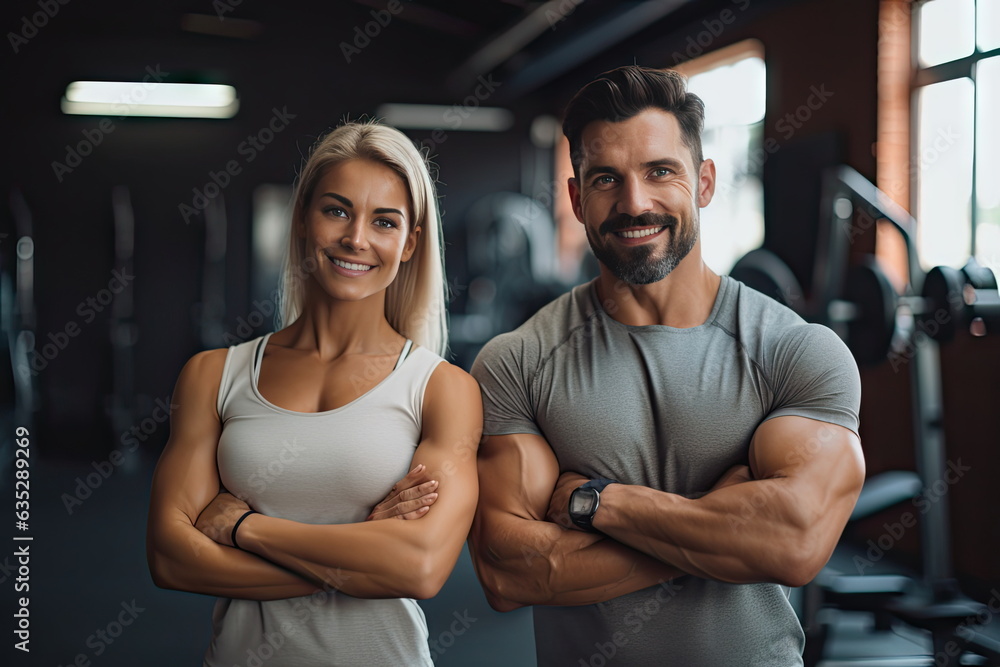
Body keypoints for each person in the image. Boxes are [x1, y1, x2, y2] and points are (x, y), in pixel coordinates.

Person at [468, 66, 865, 666]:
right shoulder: (517, 362)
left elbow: (793, 543)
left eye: (660, 172)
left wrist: (600, 505)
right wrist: (723, 530)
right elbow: (509, 573)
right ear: (576, 198)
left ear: (703, 182)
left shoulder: (796, 352)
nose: (635, 203)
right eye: (606, 179)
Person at [146, 121, 481, 666]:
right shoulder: (213, 375)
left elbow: (419, 567)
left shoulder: (443, 390)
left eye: (385, 221)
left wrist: (240, 528)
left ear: (410, 242)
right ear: (303, 219)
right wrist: (360, 561)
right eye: (337, 210)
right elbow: (171, 559)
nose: (357, 239)